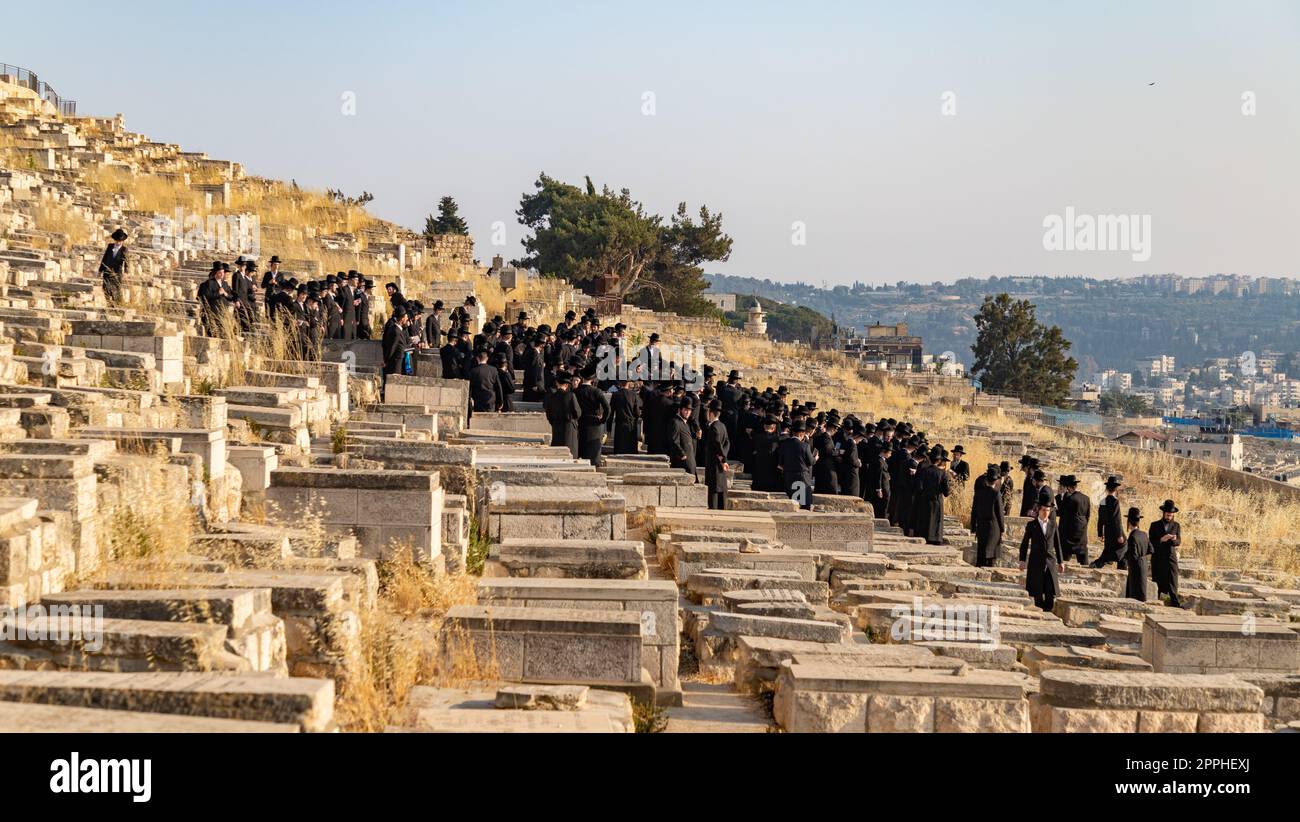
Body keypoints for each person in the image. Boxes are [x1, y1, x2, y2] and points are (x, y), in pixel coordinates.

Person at [1019, 489, 1064, 611]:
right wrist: (1022, 560)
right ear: (1039, 509)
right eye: (1044, 510)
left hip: (1050, 561)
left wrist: (1061, 562)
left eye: (1048, 510)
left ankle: (1048, 611)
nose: (1046, 513)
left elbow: (1057, 544)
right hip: (1036, 561)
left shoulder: (1053, 524)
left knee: (1050, 591)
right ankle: (1040, 612)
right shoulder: (1031, 525)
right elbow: (1024, 544)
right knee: (1037, 590)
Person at [913, 447, 952, 545]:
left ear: (929, 459)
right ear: (939, 460)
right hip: (937, 501)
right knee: (936, 522)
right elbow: (946, 492)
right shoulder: (942, 473)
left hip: (925, 500)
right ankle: (935, 538)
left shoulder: (923, 471)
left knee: (924, 521)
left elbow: (919, 487)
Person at [1149, 499, 1183, 608]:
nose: (1169, 515)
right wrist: (1161, 539)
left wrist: (1173, 539)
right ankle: (1156, 601)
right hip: (1158, 557)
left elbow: (1178, 542)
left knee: (1173, 579)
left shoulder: (1176, 525)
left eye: (1171, 514)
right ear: (1164, 513)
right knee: (1157, 579)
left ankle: (1174, 602)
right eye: (1168, 514)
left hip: (1170, 557)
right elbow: (1150, 542)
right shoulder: (1154, 525)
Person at [573, 370, 611, 465]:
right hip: (594, 422)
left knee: (582, 446)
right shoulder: (597, 391)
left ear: (582, 378)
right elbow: (607, 409)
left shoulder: (576, 391)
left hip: (580, 422)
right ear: (593, 379)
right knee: (593, 449)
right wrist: (602, 420)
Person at [971, 465, 1006, 567]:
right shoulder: (996, 494)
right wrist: (1002, 528)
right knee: (991, 555)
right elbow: (999, 513)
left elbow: (974, 511)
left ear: (986, 479)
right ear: (996, 480)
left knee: (981, 553)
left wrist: (973, 526)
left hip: (981, 526)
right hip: (993, 527)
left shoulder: (979, 493)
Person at [1116, 507, 1151, 601]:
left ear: (1129, 522)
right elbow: (1151, 549)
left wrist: (1124, 557)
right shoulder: (1144, 534)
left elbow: (1133, 555)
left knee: (1134, 594)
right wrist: (1142, 555)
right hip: (1144, 564)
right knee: (1142, 591)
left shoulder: (1132, 536)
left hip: (1135, 568)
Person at [1055, 474, 1091, 564]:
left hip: (1068, 537)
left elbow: (1060, 512)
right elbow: (1088, 516)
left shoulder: (1069, 499)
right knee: (1084, 563)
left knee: (1063, 561)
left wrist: (1059, 496)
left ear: (1068, 488)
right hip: (1082, 535)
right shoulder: (1086, 498)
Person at [1091, 476, 1126, 568]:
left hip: (1107, 530)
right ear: (1116, 489)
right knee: (1124, 546)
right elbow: (1117, 519)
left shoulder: (1102, 501)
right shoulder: (1115, 502)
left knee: (1109, 549)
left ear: (1106, 489)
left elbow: (1100, 519)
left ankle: (1105, 562)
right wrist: (1119, 535)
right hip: (1115, 531)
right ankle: (1103, 562)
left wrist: (1100, 533)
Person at [779, 420, 814, 509]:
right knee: (803, 506)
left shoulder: (784, 444)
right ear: (802, 434)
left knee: (791, 505)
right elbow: (810, 462)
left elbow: (780, 463)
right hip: (802, 479)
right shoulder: (805, 446)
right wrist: (815, 458)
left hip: (788, 478)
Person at [544, 372, 581, 457]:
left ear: (557, 383)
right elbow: (578, 413)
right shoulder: (571, 395)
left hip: (556, 426)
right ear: (567, 384)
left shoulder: (551, 396)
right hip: (569, 427)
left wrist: (554, 422)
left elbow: (548, 414)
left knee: (557, 452)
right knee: (570, 452)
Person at [703, 399, 731, 510]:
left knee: (713, 492)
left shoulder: (713, 427)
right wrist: (724, 457)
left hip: (714, 465)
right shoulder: (722, 426)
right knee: (721, 491)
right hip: (720, 465)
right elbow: (727, 443)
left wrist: (722, 459)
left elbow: (717, 445)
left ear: (710, 412)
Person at [196, 262, 235, 336]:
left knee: (222, 334)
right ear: (216, 273)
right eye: (220, 272)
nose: (222, 274)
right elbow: (205, 297)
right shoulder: (209, 283)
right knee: (213, 334)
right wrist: (218, 293)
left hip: (223, 313)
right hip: (212, 312)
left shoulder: (225, 284)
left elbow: (231, 297)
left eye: (223, 272)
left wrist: (226, 294)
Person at [667, 397, 697, 477]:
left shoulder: (685, 423)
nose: (688, 412)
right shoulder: (675, 422)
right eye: (685, 410)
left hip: (690, 461)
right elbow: (674, 440)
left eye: (689, 410)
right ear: (680, 410)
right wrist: (682, 454)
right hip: (682, 462)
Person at [610, 379, 642, 454]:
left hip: (620, 424)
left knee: (620, 448)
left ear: (620, 383)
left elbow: (611, 413)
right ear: (628, 383)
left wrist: (608, 428)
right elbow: (637, 412)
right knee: (631, 448)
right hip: (631, 424)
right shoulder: (633, 394)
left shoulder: (615, 395)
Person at [811, 416, 839, 494]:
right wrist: (836, 453)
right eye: (836, 429)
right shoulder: (827, 438)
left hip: (820, 468)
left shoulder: (820, 437)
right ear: (833, 429)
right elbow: (828, 451)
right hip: (827, 470)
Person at [99, 228, 129, 302]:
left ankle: (116, 304)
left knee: (116, 289)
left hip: (117, 272)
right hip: (107, 271)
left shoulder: (124, 249)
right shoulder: (110, 246)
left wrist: (126, 272)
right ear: (115, 240)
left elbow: (127, 261)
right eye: (117, 240)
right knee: (105, 288)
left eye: (120, 241)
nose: (119, 242)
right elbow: (105, 258)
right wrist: (100, 270)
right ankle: (108, 303)